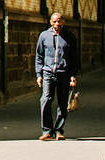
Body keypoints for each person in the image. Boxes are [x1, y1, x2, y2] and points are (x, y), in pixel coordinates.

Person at [34, 12, 81, 140]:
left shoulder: (70, 37)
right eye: (54, 21)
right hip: (48, 72)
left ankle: (59, 130)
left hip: (64, 73)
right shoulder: (44, 36)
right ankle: (47, 130)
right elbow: (39, 56)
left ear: (63, 22)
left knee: (62, 102)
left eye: (59, 21)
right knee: (46, 100)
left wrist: (73, 75)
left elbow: (74, 58)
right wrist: (39, 74)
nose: (57, 24)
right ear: (51, 22)